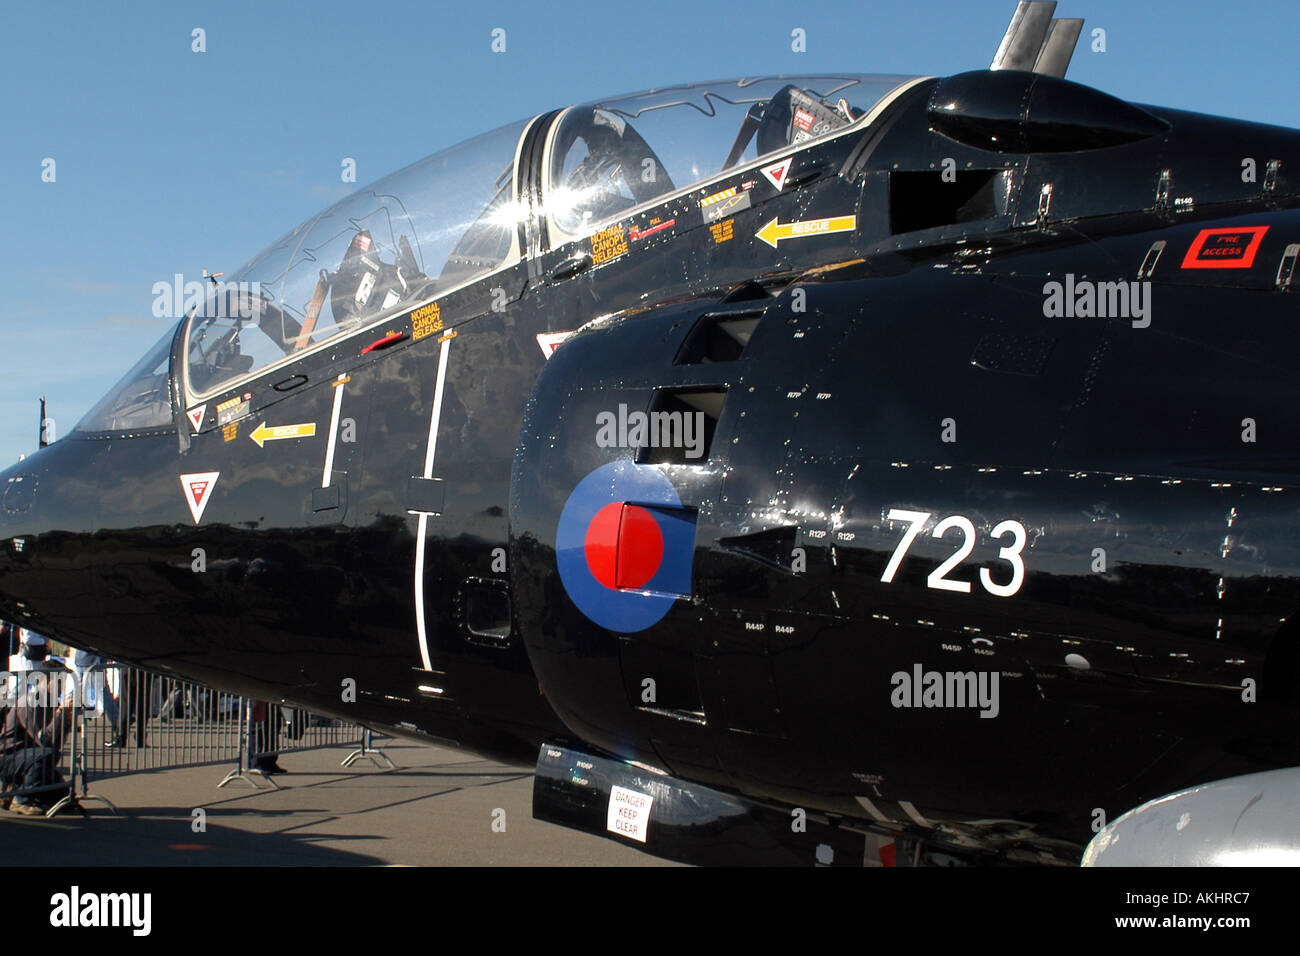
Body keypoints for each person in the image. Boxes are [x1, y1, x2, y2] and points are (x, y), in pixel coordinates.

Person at [1, 634, 74, 815]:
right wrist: (60, 716)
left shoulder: (51, 704)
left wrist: (66, 720)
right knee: (42, 756)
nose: (61, 687)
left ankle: (16, 789)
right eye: (58, 682)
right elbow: (44, 741)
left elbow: (55, 747)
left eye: (63, 682)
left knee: (63, 795)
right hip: (9, 756)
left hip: (29, 755)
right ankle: (20, 798)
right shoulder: (29, 703)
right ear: (43, 680)